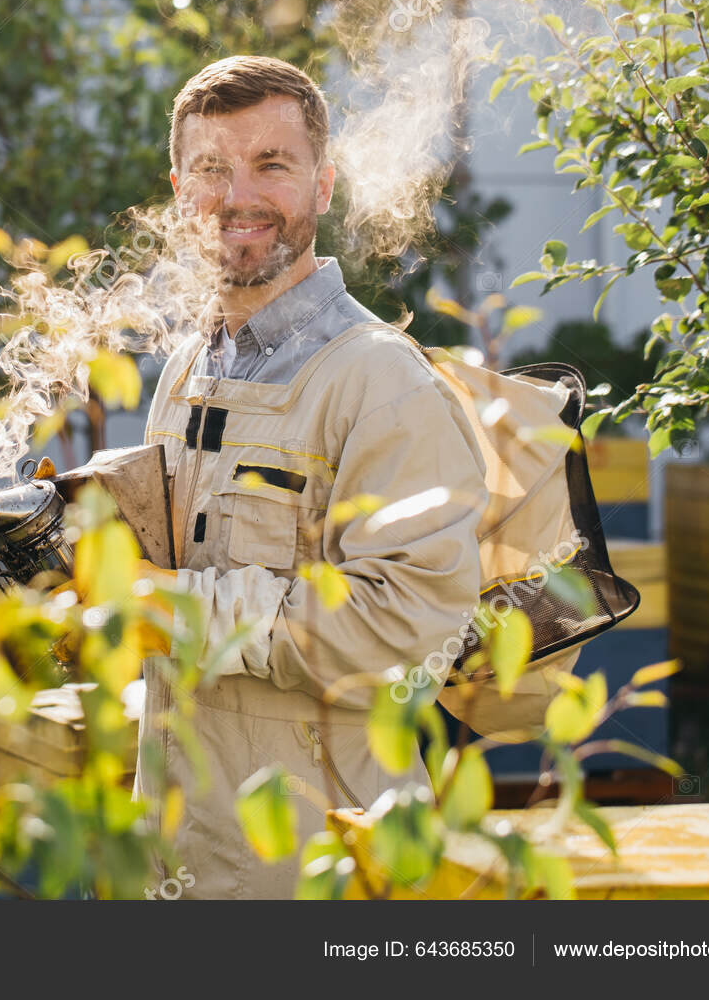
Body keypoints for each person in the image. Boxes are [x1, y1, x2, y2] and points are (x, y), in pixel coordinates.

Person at [128, 55, 488, 899]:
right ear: (180, 188)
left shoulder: (380, 379)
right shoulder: (186, 366)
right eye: (213, 168)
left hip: (323, 876)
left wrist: (168, 607)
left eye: (272, 164)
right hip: (178, 864)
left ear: (324, 186)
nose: (237, 195)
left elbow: (404, 632)